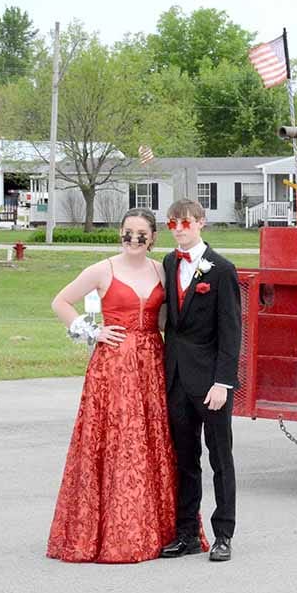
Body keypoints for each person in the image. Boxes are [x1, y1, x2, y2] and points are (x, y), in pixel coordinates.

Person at [47, 207, 207, 562]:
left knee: (151, 443)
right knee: (116, 442)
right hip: (113, 366)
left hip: (152, 364)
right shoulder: (103, 269)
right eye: (128, 232)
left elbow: (172, 318)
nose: (134, 238)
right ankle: (108, 533)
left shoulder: (161, 271)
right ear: (120, 234)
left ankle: (157, 531)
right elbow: (60, 301)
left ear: (152, 237)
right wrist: (92, 331)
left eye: (141, 233)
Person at [159, 198, 242, 563]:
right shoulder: (168, 262)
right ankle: (187, 533)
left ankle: (223, 534)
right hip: (176, 378)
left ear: (201, 223)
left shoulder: (221, 269)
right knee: (185, 459)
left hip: (211, 383)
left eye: (186, 223)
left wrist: (223, 382)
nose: (179, 229)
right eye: (173, 223)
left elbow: (231, 332)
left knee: (220, 458)